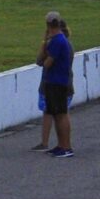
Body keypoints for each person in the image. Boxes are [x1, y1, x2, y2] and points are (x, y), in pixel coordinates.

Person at [35, 11, 74, 157]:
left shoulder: (57, 41)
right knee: (57, 115)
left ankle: (66, 147)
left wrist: (45, 44)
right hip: (55, 82)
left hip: (57, 82)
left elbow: (45, 63)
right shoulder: (59, 40)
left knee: (61, 115)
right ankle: (61, 145)